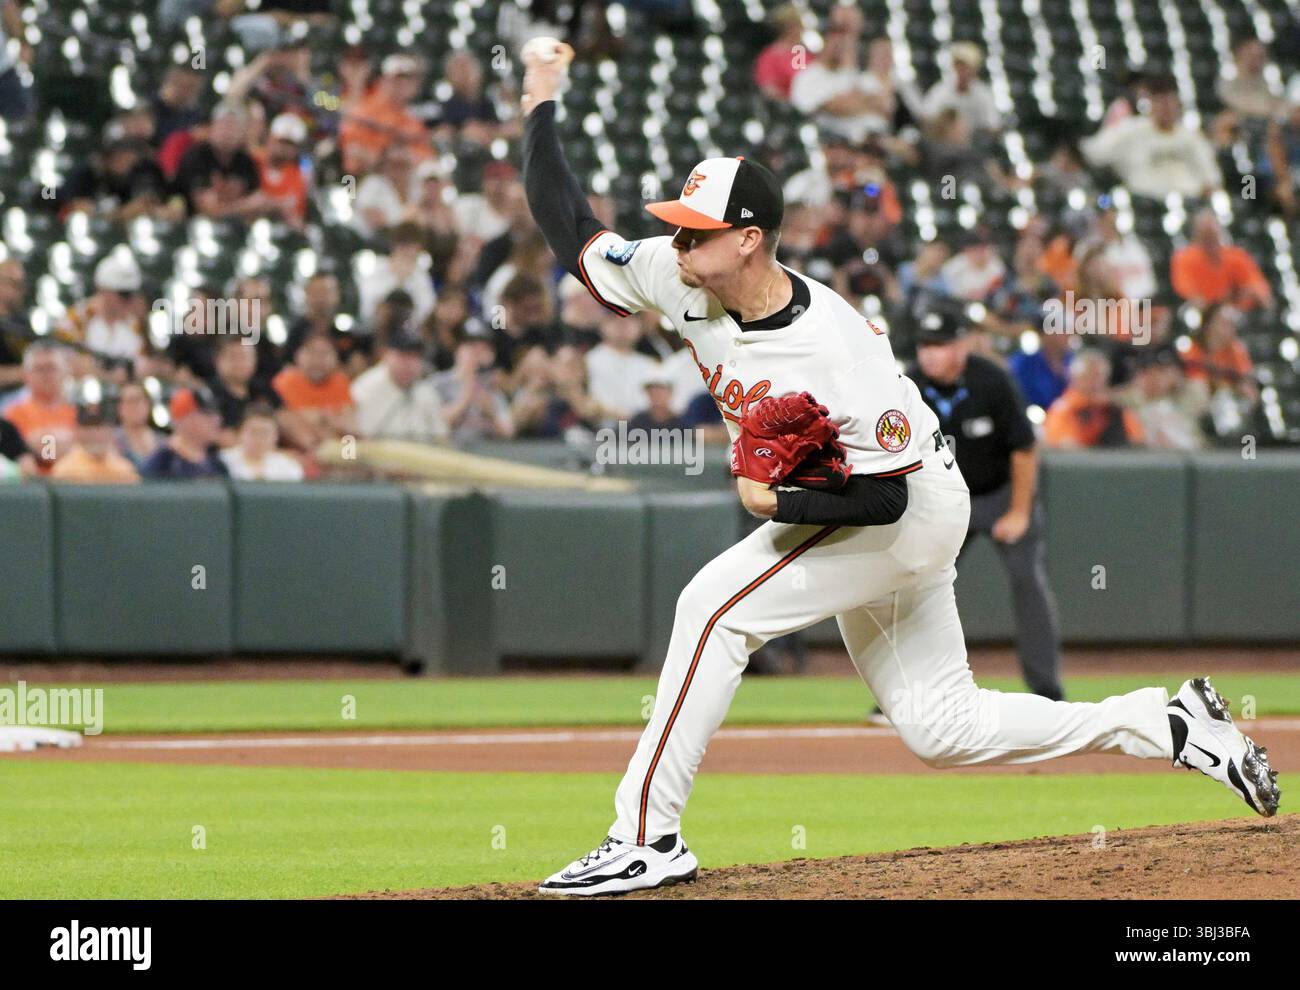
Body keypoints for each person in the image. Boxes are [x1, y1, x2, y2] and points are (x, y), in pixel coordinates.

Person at [518, 42, 1279, 897]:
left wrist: (779, 495)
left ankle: (647, 838)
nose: (675, 239)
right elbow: (572, 229)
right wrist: (541, 99)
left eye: (696, 231)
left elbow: (883, 497)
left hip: (906, 505)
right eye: (677, 226)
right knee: (941, 727)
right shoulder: (679, 274)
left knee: (711, 610)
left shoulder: (834, 350)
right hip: (867, 504)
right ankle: (1163, 722)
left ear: (749, 240)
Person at [907, 308, 1064, 701]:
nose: (929, 354)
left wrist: (1019, 512)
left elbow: (1025, 448)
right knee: (916, 591)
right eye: (925, 345)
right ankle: (901, 691)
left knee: (1028, 581)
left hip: (997, 495)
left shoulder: (991, 380)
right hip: (941, 503)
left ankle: (1047, 691)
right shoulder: (907, 383)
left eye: (940, 345)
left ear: (961, 346)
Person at [1081, 74, 1222, 201]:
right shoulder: (1130, 129)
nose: (1166, 107)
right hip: (1143, 203)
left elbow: (1212, 179)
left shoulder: (1191, 137)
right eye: (1160, 101)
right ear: (1151, 103)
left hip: (1188, 203)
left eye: (1170, 101)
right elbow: (1093, 153)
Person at [350, 331, 449, 443]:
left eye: (415, 357)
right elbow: (348, 436)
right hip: (374, 455)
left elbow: (441, 437)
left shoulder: (426, 392)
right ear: (386, 355)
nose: (410, 364)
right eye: (403, 356)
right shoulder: (365, 387)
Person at [1170, 209, 1274, 312]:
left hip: (1237, 315)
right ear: (1196, 236)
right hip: (1207, 317)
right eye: (1205, 237)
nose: (1210, 242)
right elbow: (1187, 291)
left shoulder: (1236, 256)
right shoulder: (1185, 258)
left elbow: (1259, 288)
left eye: (1213, 236)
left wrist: (1251, 293)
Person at [1042, 349, 1145, 448]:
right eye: (1089, 376)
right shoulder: (1064, 409)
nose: (1095, 382)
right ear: (1075, 378)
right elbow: (1065, 446)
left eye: (1099, 376)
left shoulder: (1114, 409)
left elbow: (1137, 441)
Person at [3, 341, 77, 474]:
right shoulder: (13, 413)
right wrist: (68, 444)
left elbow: (93, 448)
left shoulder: (79, 412)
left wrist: (37, 443)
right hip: (30, 488)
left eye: (52, 368)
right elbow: (17, 452)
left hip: (74, 484)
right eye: (39, 369)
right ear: (26, 375)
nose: (46, 374)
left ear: (65, 372)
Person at [139, 386, 229, 479]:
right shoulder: (162, 463)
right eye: (208, 414)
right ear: (185, 419)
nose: (217, 420)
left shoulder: (217, 463)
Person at [50, 401, 141, 484]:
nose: (93, 434)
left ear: (109, 430)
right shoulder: (65, 469)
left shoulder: (124, 469)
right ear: (77, 431)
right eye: (87, 427)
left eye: (98, 427)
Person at [221, 403, 305, 481]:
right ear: (240, 432)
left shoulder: (287, 465)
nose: (259, 438)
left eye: (265, 433)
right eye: (253, 431)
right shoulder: (223, 460)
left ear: (276, 436)